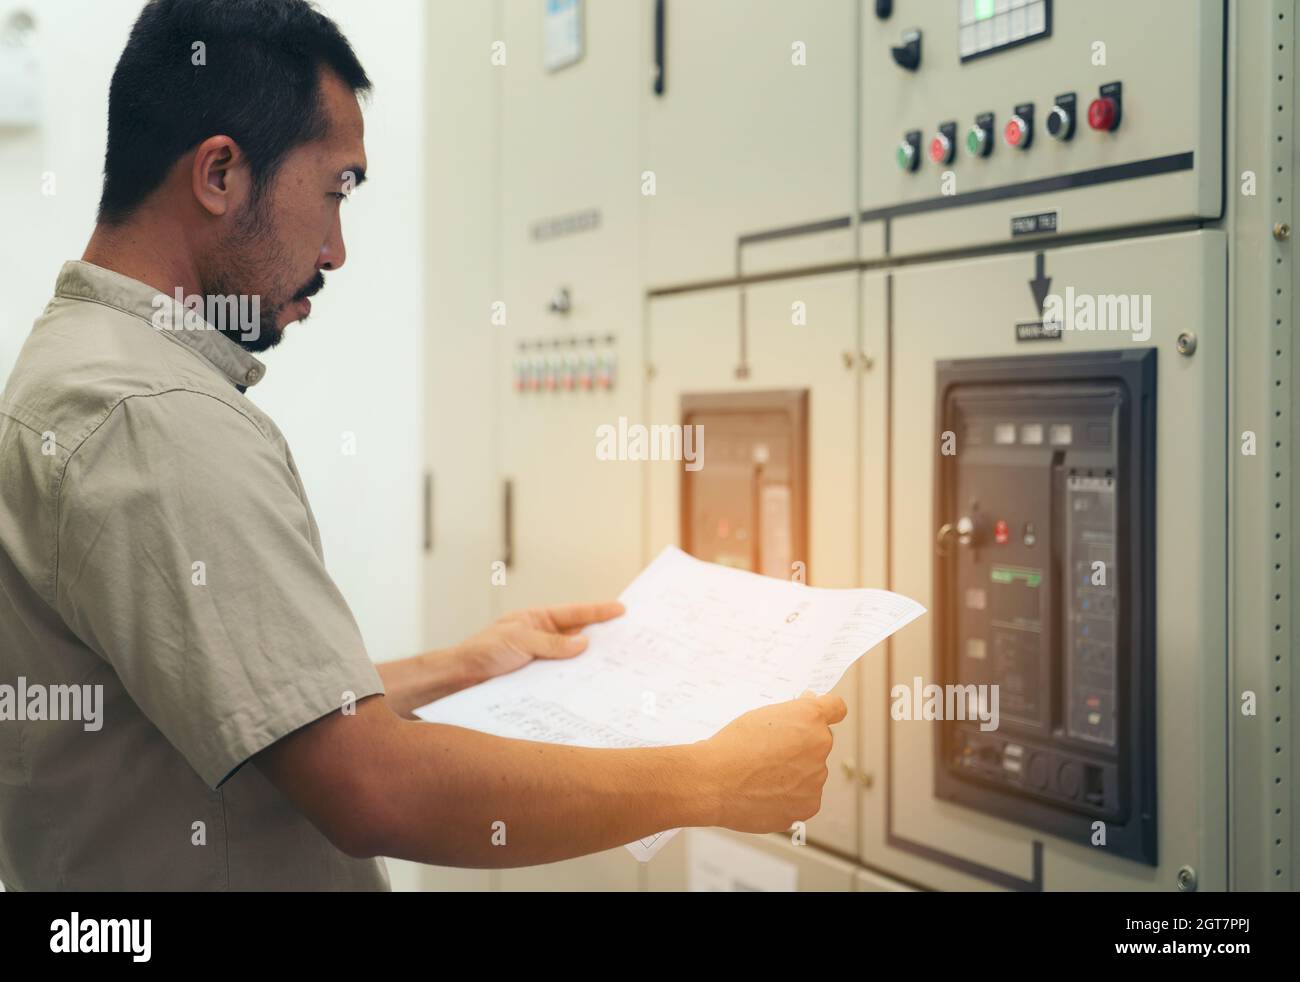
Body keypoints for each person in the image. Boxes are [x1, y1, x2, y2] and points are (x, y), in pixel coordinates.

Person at [0, 0, 845, 890]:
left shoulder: (76, 364)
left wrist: (463, 664)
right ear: (219, 174)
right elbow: (372, 788)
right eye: (334, 192)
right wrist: (709, 779)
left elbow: (254, 708)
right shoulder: (156, 414)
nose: (336, 249)